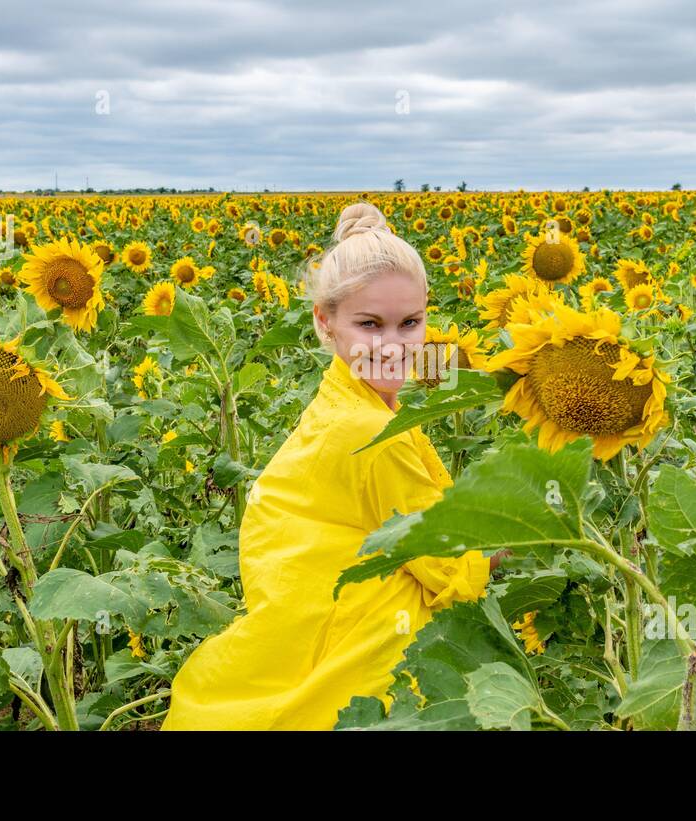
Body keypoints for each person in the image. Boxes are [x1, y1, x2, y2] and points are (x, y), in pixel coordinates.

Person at [161, 202, 509, 730]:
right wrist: (518, 544)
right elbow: (442, 561)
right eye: (370, 325)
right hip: (368, 653)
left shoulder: (350, 401)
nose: (394, 346)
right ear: (325, 322)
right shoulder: (368, 431)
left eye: (410, 323)